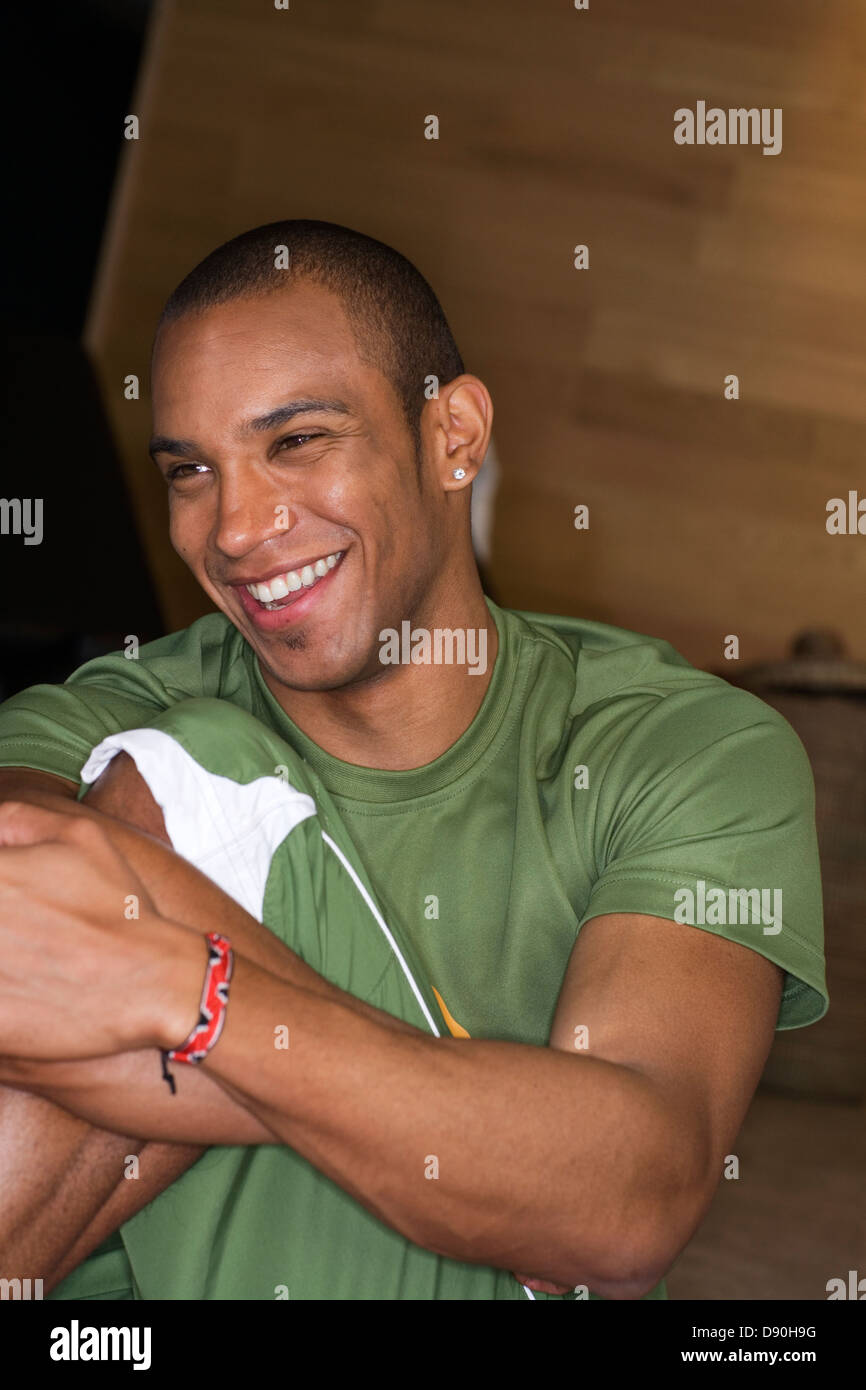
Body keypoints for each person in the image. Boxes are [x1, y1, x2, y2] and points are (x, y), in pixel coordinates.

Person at [0, 220, 827, 1301]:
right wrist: (477, 1123)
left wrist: (189, 995)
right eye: (192, 470)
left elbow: (625, 1201)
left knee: (187, 786)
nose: (237, 528)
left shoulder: (680, 746)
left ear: (452, 437)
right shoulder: (110, 706)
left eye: (295, 440)